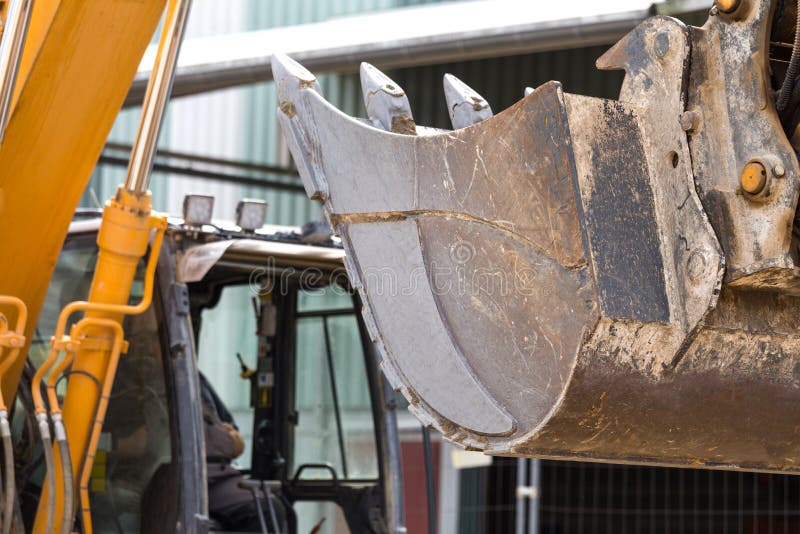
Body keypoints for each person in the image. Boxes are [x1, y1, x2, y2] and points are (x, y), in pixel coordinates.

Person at [200, 373, 288, 532]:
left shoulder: (194, 378)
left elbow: (232, 433)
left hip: (220, 475)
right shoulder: (147, 388)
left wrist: (229, 440)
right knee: (266, 511)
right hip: (184, 477)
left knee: (271, 507)